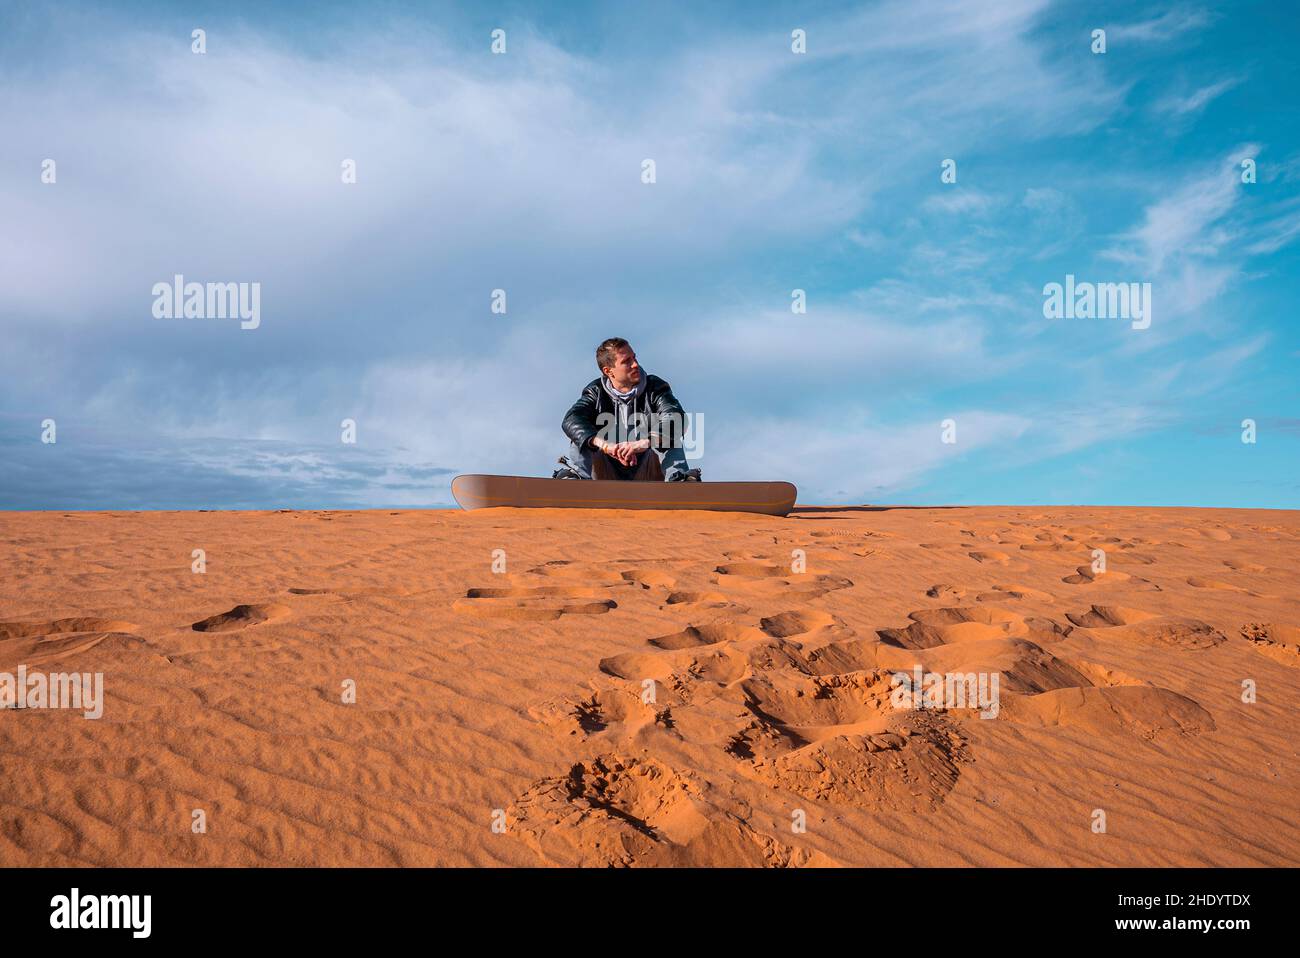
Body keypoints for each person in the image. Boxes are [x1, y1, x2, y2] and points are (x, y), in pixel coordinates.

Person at [554, 338, 701, 481]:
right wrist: (605, 446)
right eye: (626, 362)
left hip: (650, 471)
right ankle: (576, 483)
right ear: (609, 371)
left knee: (669, 429)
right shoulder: (595, 392)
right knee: (582, 434)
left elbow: (677, 418)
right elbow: (571, 419)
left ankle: (678, 481)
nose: (635, 364)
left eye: (634, 358)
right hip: (605, 472)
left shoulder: (655, 387)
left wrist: (642, 443)